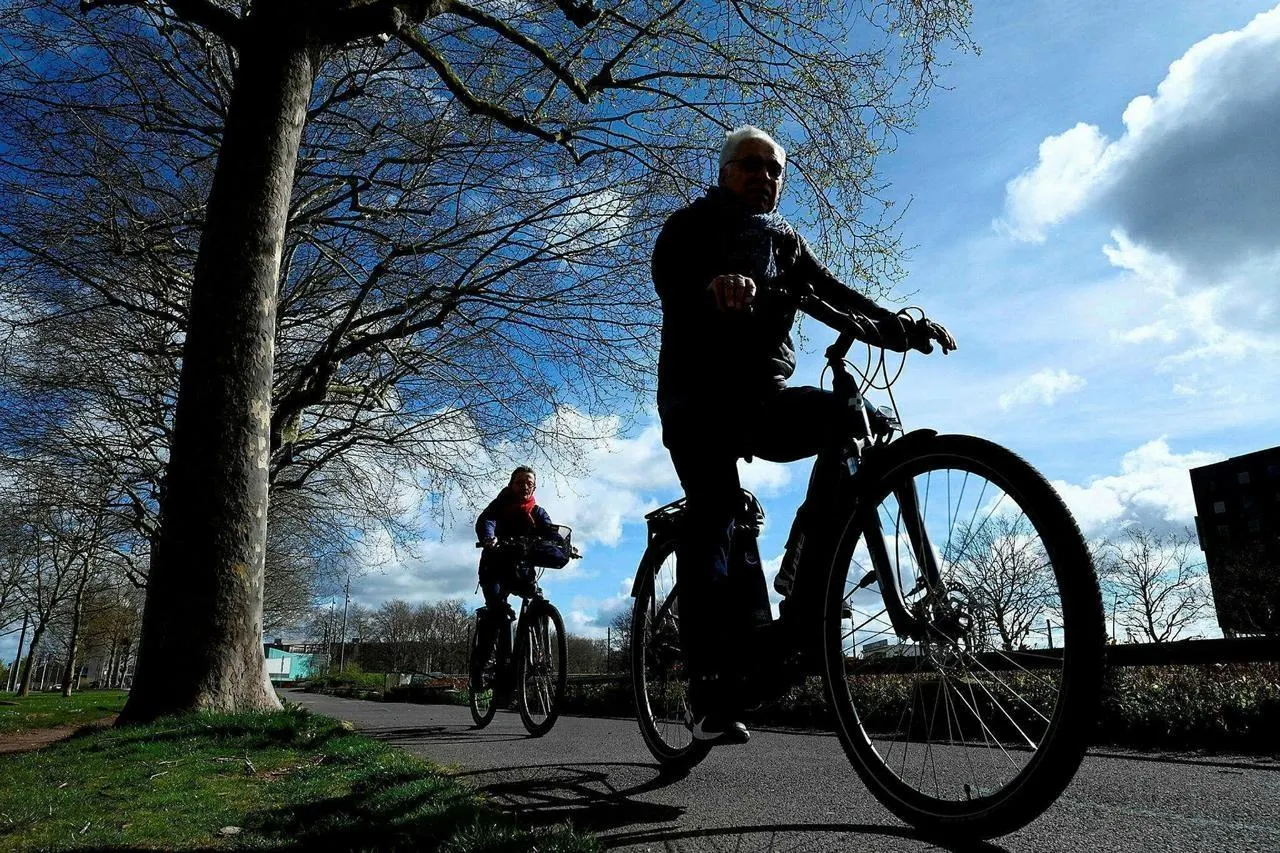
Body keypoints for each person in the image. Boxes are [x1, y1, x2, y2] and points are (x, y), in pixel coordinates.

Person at [652, 126, 956, 744]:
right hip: (698, 398)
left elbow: (833, 292)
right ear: (724, 170)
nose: (765, 177)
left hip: (762, 397)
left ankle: (803, 585)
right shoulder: (692, 224)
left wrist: (898, 326)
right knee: (716, 512)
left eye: (776, 170)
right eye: (751, 166)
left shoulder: (786, 242)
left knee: (854, 419)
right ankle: (708, 685)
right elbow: (672, 278)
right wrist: (716, 285)